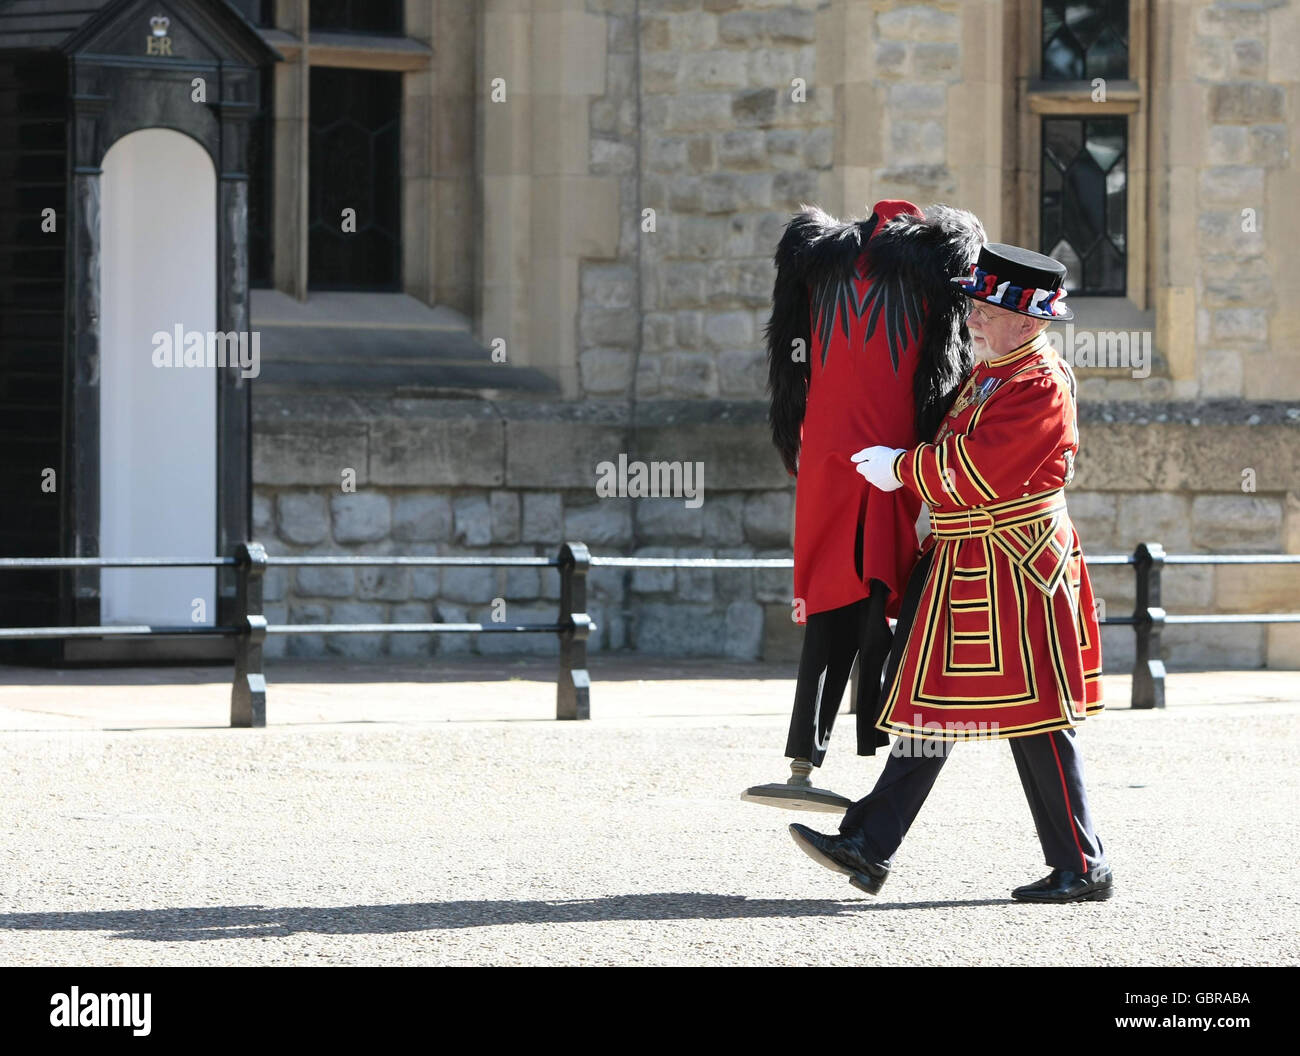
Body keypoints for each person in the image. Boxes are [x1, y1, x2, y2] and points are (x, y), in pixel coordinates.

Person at [787, 242, 1112, 903]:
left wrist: (902, 468)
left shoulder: (1036, 382)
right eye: (975, 305)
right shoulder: (995, 371)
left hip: (1016, 567)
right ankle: (869, 845)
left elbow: (979, 470)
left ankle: (1083, 863)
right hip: (970, 562)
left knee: (1038, 718)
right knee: (936, 710)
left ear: (1027, 320)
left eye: (986, 309)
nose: (972, 319)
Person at [754, 200, 984, 809]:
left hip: (844, 451)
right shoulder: (920, 260)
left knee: (854, 596)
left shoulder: (824, 258)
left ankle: (810, 759)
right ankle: (839, 760)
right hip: (887, 447)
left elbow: (791, 353)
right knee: (876, 595)